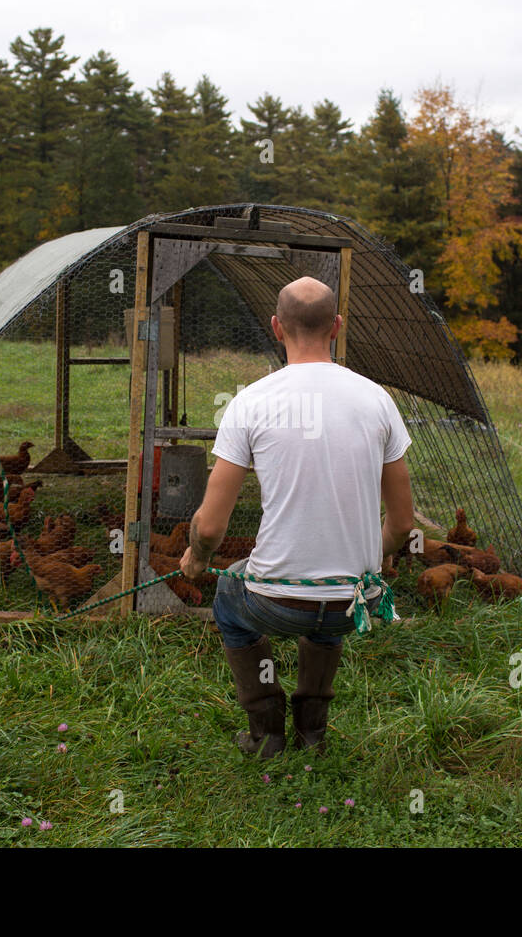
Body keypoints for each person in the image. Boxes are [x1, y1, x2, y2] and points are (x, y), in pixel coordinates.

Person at [180, 275, 414, 759]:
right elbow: (404, 524)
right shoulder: (377, 400)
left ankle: (266, 731)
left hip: (275, 603)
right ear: (337, 327)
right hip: (355, 599)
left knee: (229, 596)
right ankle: (313, 728)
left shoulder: (250, 402)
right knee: (327, 621)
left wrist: (197, 559)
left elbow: (208, 527)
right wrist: (372, 559)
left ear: (275, 327)